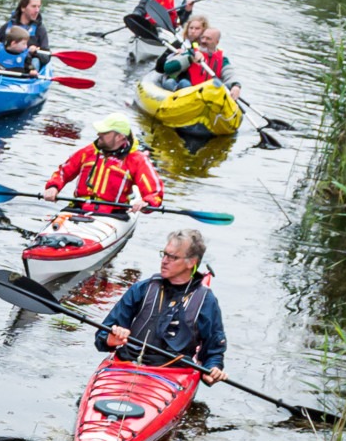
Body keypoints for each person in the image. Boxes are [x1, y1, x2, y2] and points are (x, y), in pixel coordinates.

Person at [94, 229, 226, 378]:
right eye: (164, 254)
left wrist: (212, 369)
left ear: (192, 262)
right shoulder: (142, 289)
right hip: (127, 364)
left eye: (173, 257)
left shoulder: (206, 301)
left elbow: (213, 352)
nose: (164, 261)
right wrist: (110, 340)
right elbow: (102, 335)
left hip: (174, 373)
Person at [44, 114, 163, 217]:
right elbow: (63, 172)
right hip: (79, 208)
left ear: (120, 137)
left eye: (105, 132)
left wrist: (147, 203)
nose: (98, 134)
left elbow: (154, 192)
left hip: (113, 214)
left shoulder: (137, 159)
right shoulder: (88, 151)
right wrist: (53, 186)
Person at [153, 13, 207, 78]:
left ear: (204, 30)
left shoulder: (206, 47)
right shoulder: (178, 43)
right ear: (187, 29)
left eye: (197, 28)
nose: (193, 31)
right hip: (175, 78)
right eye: (191, 28)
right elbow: (159, 67)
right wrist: (175, 56)